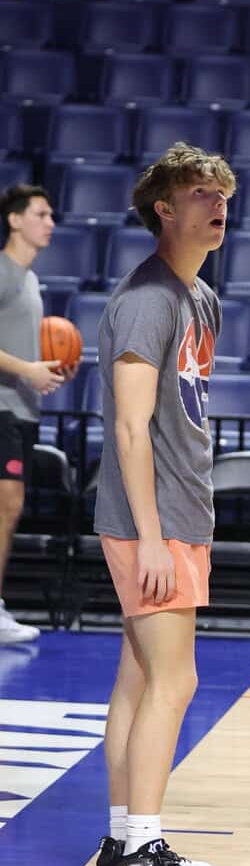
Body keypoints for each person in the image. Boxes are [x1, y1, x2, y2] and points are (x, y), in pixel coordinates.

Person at [92, 143, 235, 866]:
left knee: (140, 679)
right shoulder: (149, 297)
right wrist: (148, 535)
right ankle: (143, 848)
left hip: (180, 511)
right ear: (164, 208)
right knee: (176, 680)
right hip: (154, 518)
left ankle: (122, 838)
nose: (216, 205)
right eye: (199, 193)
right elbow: (129, 428)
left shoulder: (200, 297)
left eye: (222, 194)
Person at [0, 183, 73, 646]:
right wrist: (28, 368)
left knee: (9, 508)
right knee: (7, 505)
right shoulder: (3, 272)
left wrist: (49, 365)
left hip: (22, 409)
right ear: (14, 220)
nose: (50, 223)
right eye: (41, 214)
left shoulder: (28, 279)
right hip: (1, 408)